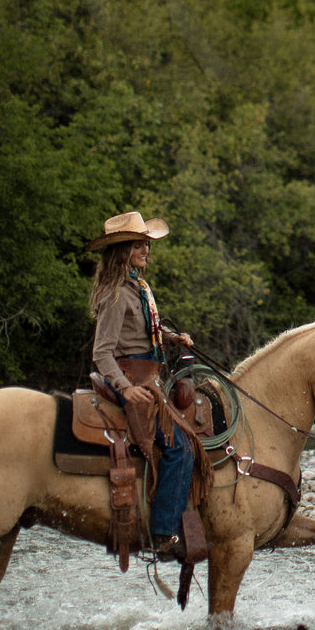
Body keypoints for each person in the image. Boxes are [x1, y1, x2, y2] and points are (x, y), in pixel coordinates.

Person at [87, 209, 196, 561]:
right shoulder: (117, 295)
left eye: (147, 245)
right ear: (123, 252)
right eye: (139, 245)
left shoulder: (139, 288)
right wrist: (122, 387)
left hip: (150, 376)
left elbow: (144, 330)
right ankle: (164, 532)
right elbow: (102, 352)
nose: (146, 251)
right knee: (180, 448)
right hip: (133, 379)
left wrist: (171, 337)